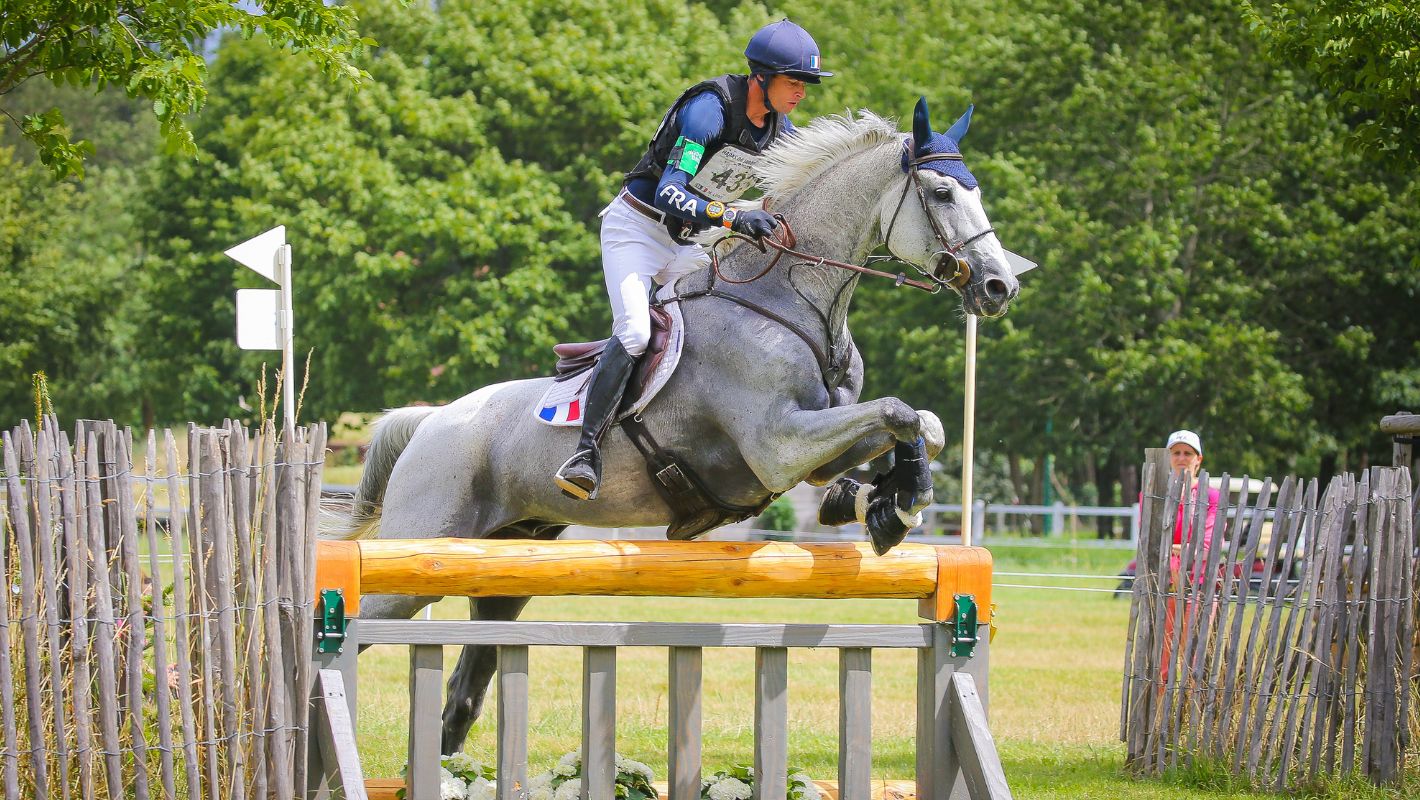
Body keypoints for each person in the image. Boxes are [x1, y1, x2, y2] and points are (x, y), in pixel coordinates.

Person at [553, 19, 833, 500]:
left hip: (685, 243)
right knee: (635, 332)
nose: (801, 92)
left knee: (728, 320)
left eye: (806, 83)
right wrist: (734, 217)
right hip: (636, 229)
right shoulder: (708, 110)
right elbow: (669, 192)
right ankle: (585, 452)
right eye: (794, 81)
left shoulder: (778, 130)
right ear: (761, 77)